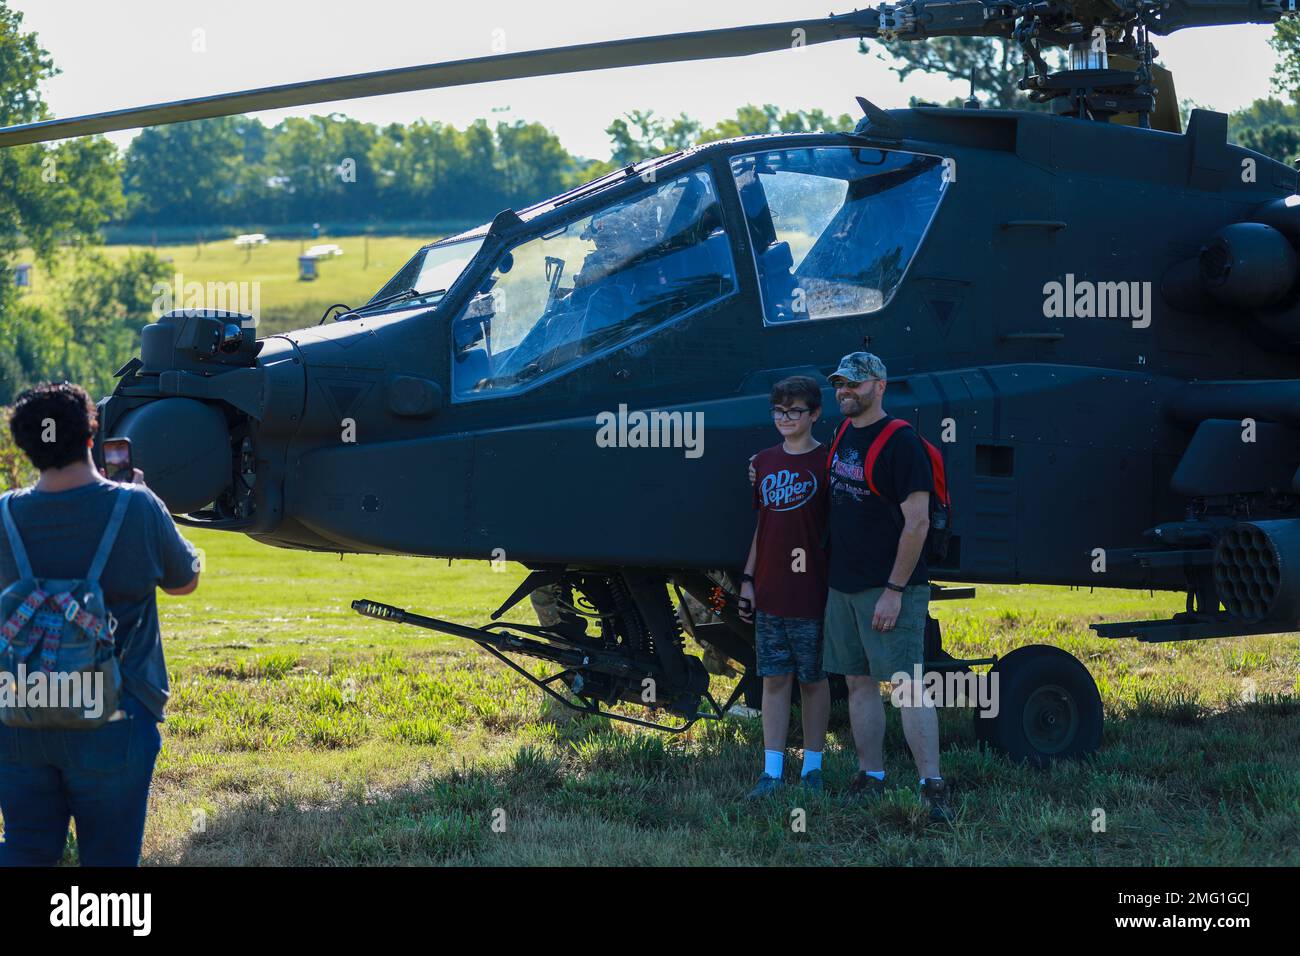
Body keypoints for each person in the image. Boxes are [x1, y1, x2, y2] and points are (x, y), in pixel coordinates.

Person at [0, 382, 200, 865]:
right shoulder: (136, 506)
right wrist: (147, 498)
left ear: (25, 448)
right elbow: (183, 581)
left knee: (26, 847)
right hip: (117, 715)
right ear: (92, 434)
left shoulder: (3, 515)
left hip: (18, 713)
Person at [821, 352, 951, 822]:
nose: (844, 391)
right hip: (844, 586)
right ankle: (869, 774)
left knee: (907, 686)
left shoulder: (902, 444)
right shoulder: (842, 435)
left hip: (889, 588)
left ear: (880, 386)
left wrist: (894, 590)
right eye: (840, 384)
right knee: (857, 682)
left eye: (854, 384)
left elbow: (916, 523)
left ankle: (932, 785)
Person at [739, 376, 831, 798]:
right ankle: (771, 771)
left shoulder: (828, 463)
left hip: (812, 591)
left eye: (795, 411)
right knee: (774, 679)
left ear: (814, 414)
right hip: (771, 588)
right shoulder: (765, 461)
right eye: (779, 411)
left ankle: (813, 766)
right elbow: (763, 526)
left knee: (812, 679)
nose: (785, 418)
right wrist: (747, 579)